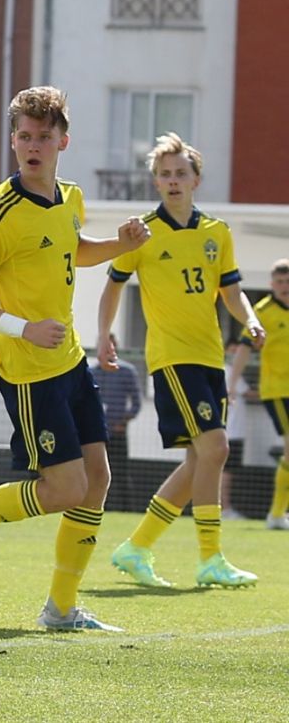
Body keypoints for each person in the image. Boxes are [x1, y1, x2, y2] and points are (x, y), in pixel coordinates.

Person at [0, 87, 150, 631]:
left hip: (69, 361)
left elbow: (74, 250)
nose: (33, 146)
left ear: (62, 141)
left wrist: (119, 243)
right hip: (27, 370)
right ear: (14, 140)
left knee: (97, 479)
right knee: (66, 488)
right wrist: (23, 328)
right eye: (24, 136)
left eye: (44, 136)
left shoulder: (69, 196)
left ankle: (62, 609)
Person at [98, 133, 260, 588]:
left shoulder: (216, 232)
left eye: (180, 174)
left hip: (210, 358)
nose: (172, 181)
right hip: (172, 358)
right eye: (164, 174)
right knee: (217, 449)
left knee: (198, 463)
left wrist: (249, 320)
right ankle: (210, 557)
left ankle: (136, 547)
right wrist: (103, 333)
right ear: (155, 182)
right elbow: (113, 287)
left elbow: (231, 291)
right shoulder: (142, 234)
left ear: (196, 180)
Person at [229, 259, 289, 530]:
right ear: (271, 284)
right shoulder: (262, 311)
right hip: (278, 390)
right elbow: (244, 348)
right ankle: (276, 514)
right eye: (279, 282)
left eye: (288, 282)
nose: (284, 287)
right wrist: (231, 384)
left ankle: (278, 514)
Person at [91, 333, 142, 511]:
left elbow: (136, 402)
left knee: (120, 473)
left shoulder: (127, 371)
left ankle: (127, 510)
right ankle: (95, 508)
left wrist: (124, 420)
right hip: (96, 433)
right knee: (95, 472)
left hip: (117, 431)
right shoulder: (91, 373)